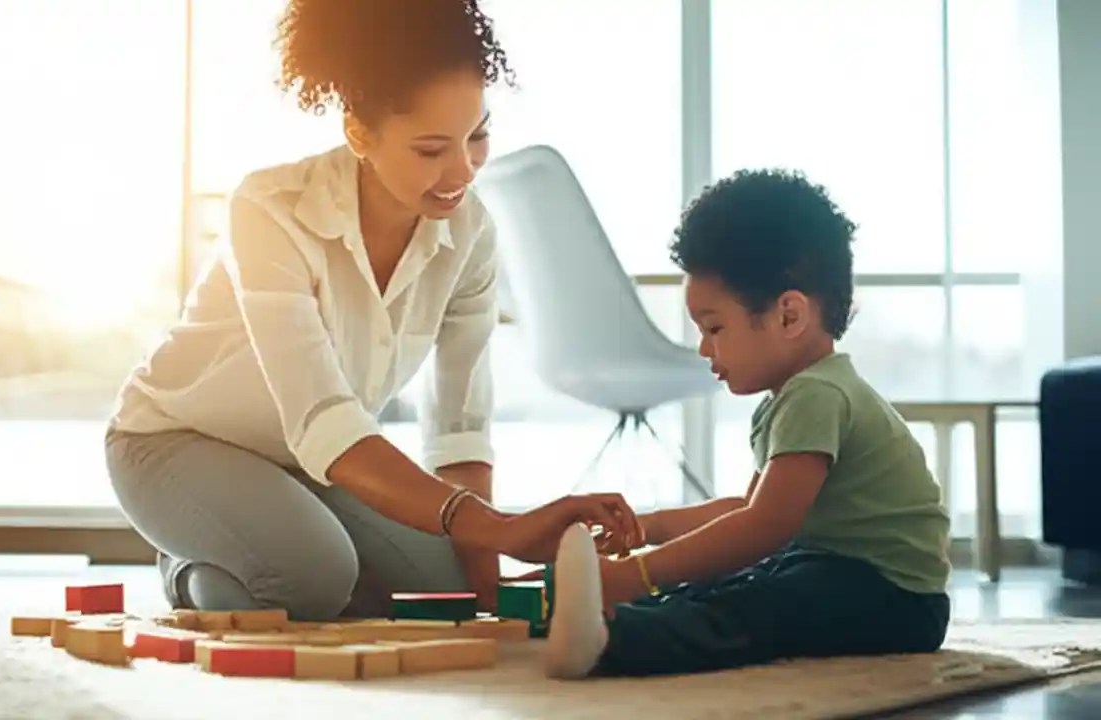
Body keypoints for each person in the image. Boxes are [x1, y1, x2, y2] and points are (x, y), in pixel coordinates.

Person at [104, 0, 643, 622]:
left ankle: (269, 544)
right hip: (175, 440)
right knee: (313, 578)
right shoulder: (269, 208)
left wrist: (488, 578)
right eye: (431, 149)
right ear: (360, 134)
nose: (462, 170)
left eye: (478, 136)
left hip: (310, 464)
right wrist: (496, 527)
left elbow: (458, 425)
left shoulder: (470, 235)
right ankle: (190, 566)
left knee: (446, 595)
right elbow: (322, 416)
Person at [544, 169, 952, 678]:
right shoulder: (797, 394)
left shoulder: (817, 394)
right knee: (726, 582)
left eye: (714, 327)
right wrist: (650, 528)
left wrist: (636, 573)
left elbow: (764, 526)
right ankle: (604, 619)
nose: (703, 347)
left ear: (788, 316)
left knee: (763, 602)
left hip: (895, 598)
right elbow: (748, 509)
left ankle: (613, 640)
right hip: (831, 570)